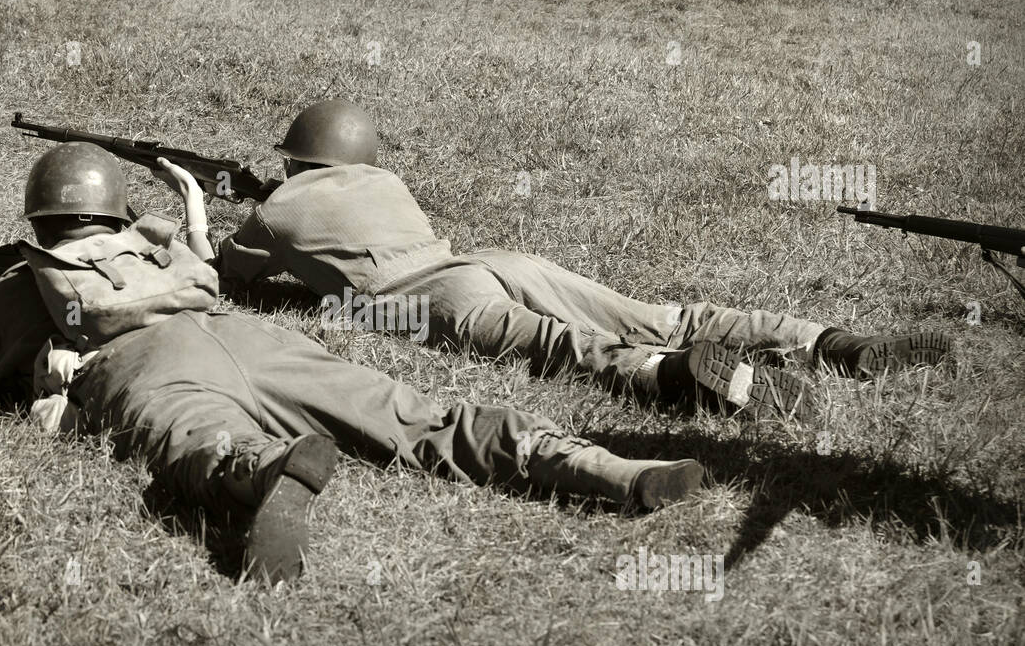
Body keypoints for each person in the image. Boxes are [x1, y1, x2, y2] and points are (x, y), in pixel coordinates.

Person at [0, 143, 707, 584]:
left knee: (197, 439)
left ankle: (266, 472)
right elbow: (214, 266)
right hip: (256, 338)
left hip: (144, 368)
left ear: (40, 218)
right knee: (419, 418)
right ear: (111, 209)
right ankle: (604, 466)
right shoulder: (156, 247)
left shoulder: (28, 284)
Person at [214, 100, 955, 419]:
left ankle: (680, 379)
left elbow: (222, 274)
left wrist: (194, 195)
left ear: (296, 164)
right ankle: (828, 341)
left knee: (561, 348)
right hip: (492, 258)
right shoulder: (386, 179)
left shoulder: (280, 208)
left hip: (425, 294)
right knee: (662, 312)